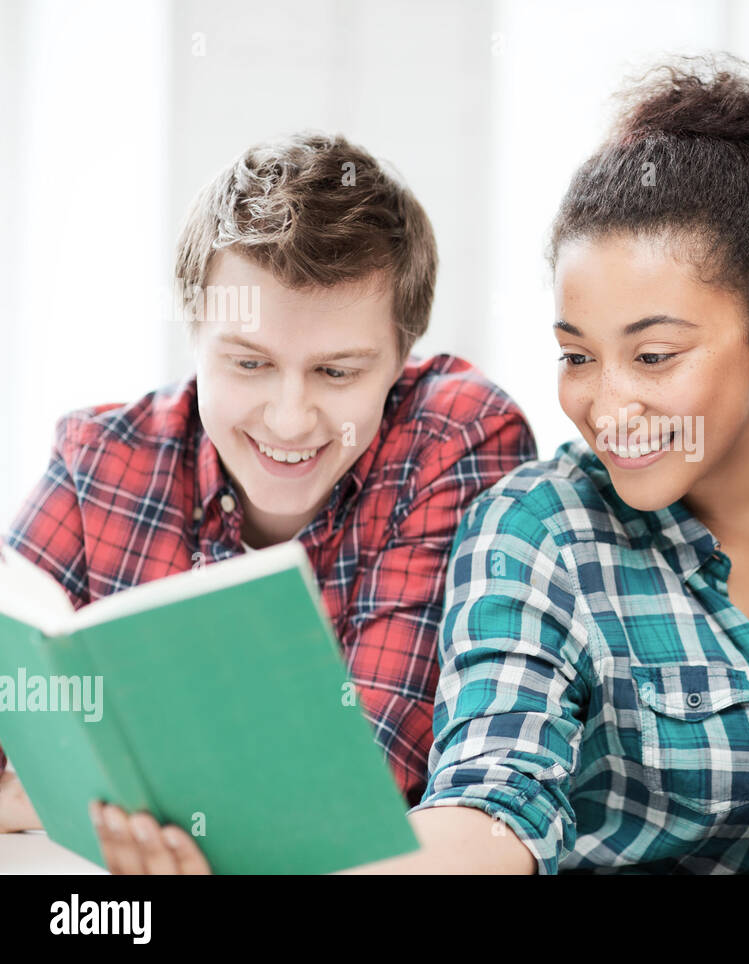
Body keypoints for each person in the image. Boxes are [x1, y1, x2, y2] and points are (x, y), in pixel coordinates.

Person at [87, 56, 749, 874]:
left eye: (654, 355)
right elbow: (491, 797)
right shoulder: (539, 531)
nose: (608, 406)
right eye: (577, 356)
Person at [0, 132, 536, 835]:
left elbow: (360, 781)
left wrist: (76, 798)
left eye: (337, 372)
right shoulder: (97, 459)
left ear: (403, 356)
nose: (289, 420)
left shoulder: (455, 435)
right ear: (194, 334)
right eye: (249, 365)